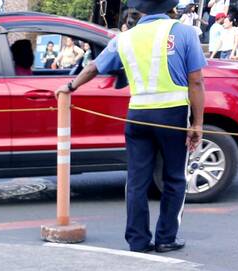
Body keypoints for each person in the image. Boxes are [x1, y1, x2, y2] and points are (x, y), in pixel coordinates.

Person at [62, 0, 206, 254]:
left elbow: (94, 67)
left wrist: (69, 87)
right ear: (171, 8)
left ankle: (138, 240)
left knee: (137, 181)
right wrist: (197, 123)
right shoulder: (184, 32)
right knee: (174, 177)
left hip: (137, 116)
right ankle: (166, 238)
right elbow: (196, 81)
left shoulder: (124, 38)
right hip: (172, 115)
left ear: (140, 10)